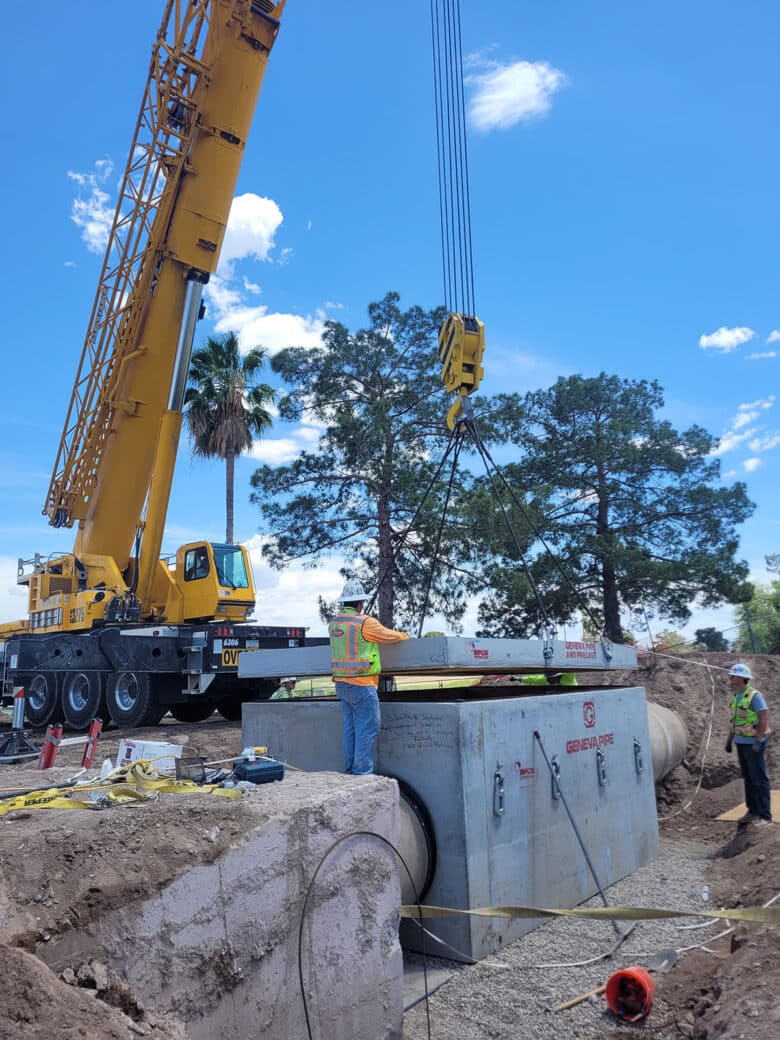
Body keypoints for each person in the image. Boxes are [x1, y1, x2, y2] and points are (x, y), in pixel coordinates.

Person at [328, 581, 409, 775]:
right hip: (362, 684)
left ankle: (350, 770)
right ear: (360, 604)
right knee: (368, 727)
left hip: (342, 684)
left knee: (351, 728)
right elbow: (389, 636)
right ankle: (362, 771)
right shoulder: (365, 622)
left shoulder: (334, 624)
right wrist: (405, 636)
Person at [725, 662, 772, 825]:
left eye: (733, 675)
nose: (731, 677)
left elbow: (763, 718)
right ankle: (752, 811)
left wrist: (759, 740)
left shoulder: (754, 696)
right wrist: (729, 740)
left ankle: (765, 815)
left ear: (742, 677)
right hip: (741, 742)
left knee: (759, 778)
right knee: (748, 777)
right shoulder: (736, 697)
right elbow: (735, 721)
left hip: (753, 742)